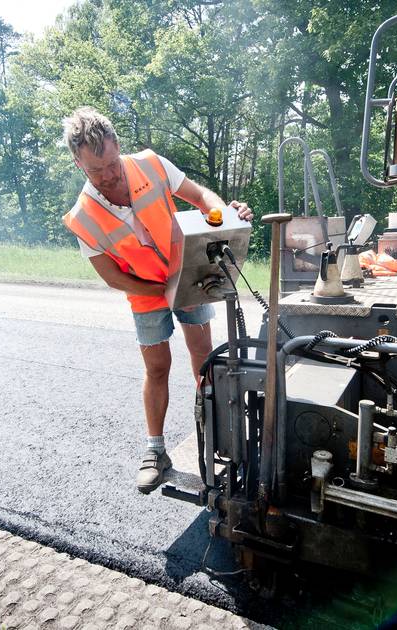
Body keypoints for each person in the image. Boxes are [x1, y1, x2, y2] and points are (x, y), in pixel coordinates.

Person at [61, 107, 253, 494]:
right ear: (78, 163)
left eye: (112, 164)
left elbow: (199, 196)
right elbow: (112, 276)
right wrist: (162, 291)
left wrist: (223, 216)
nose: (109, 175)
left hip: (191, 274)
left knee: (204, 356)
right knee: (157, 368)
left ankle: (218, 432)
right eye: (97, 171)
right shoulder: (83, 217)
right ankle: (156, 452)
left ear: (118, 146)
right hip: (144, 291)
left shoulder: (151, 164)